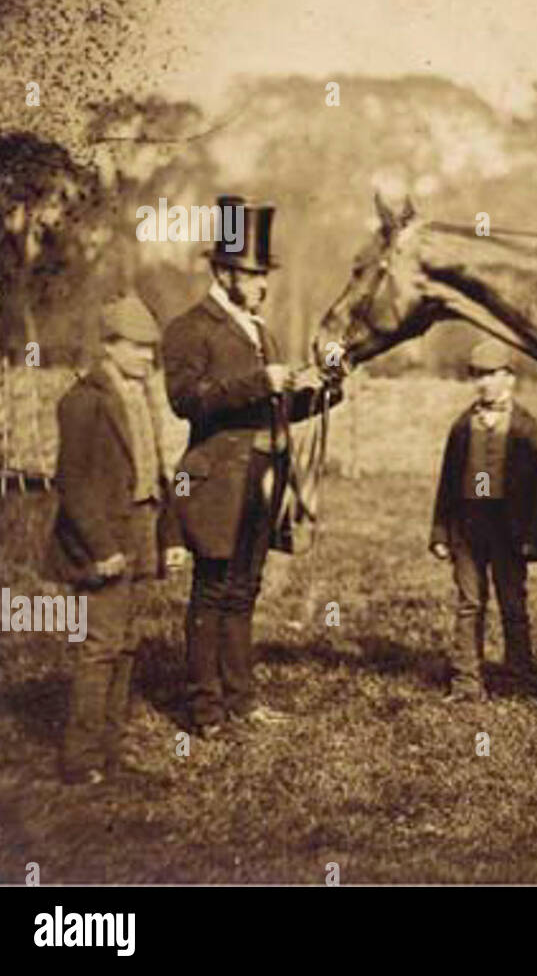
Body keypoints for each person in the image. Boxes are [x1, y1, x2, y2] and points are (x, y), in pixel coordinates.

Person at [162, 195, 337, 737]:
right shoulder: (190, 327)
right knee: (212, 591)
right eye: (254, 274)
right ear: (224, 273)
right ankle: (206, 712)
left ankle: (241, 701)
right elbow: (187, 400)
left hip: (264, 478)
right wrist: (260, 382)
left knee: (245, 590)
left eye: (265, 275)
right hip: (217, 481)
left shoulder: (262, 331)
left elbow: (276, 407)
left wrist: (325, 391)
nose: (263, 284)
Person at [46, 295, 188, 785]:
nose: (148, 357)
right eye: (138, 347)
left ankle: (110, 751)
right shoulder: (83, 401)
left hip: (142, 527)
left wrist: (169, 535)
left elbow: (159, 475)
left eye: (152, 348)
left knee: (126, 643)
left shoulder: (141, 397)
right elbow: (73, 483)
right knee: (101, 645)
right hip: (103, 540)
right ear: (109, 346)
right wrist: (102, 547)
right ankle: (81, 758)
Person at [429, 339, 537, 703]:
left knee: (513, 605)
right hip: (468, 524)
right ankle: (466, 682)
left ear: (509, 377)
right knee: (470, 603)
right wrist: (440, 532)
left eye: (491, 374)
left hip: (509, 528)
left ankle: (521, 682)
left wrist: (532, 537)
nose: (483, 383)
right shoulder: (462, 425)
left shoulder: (526, 426)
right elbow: (448, 483)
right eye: (477, 375)